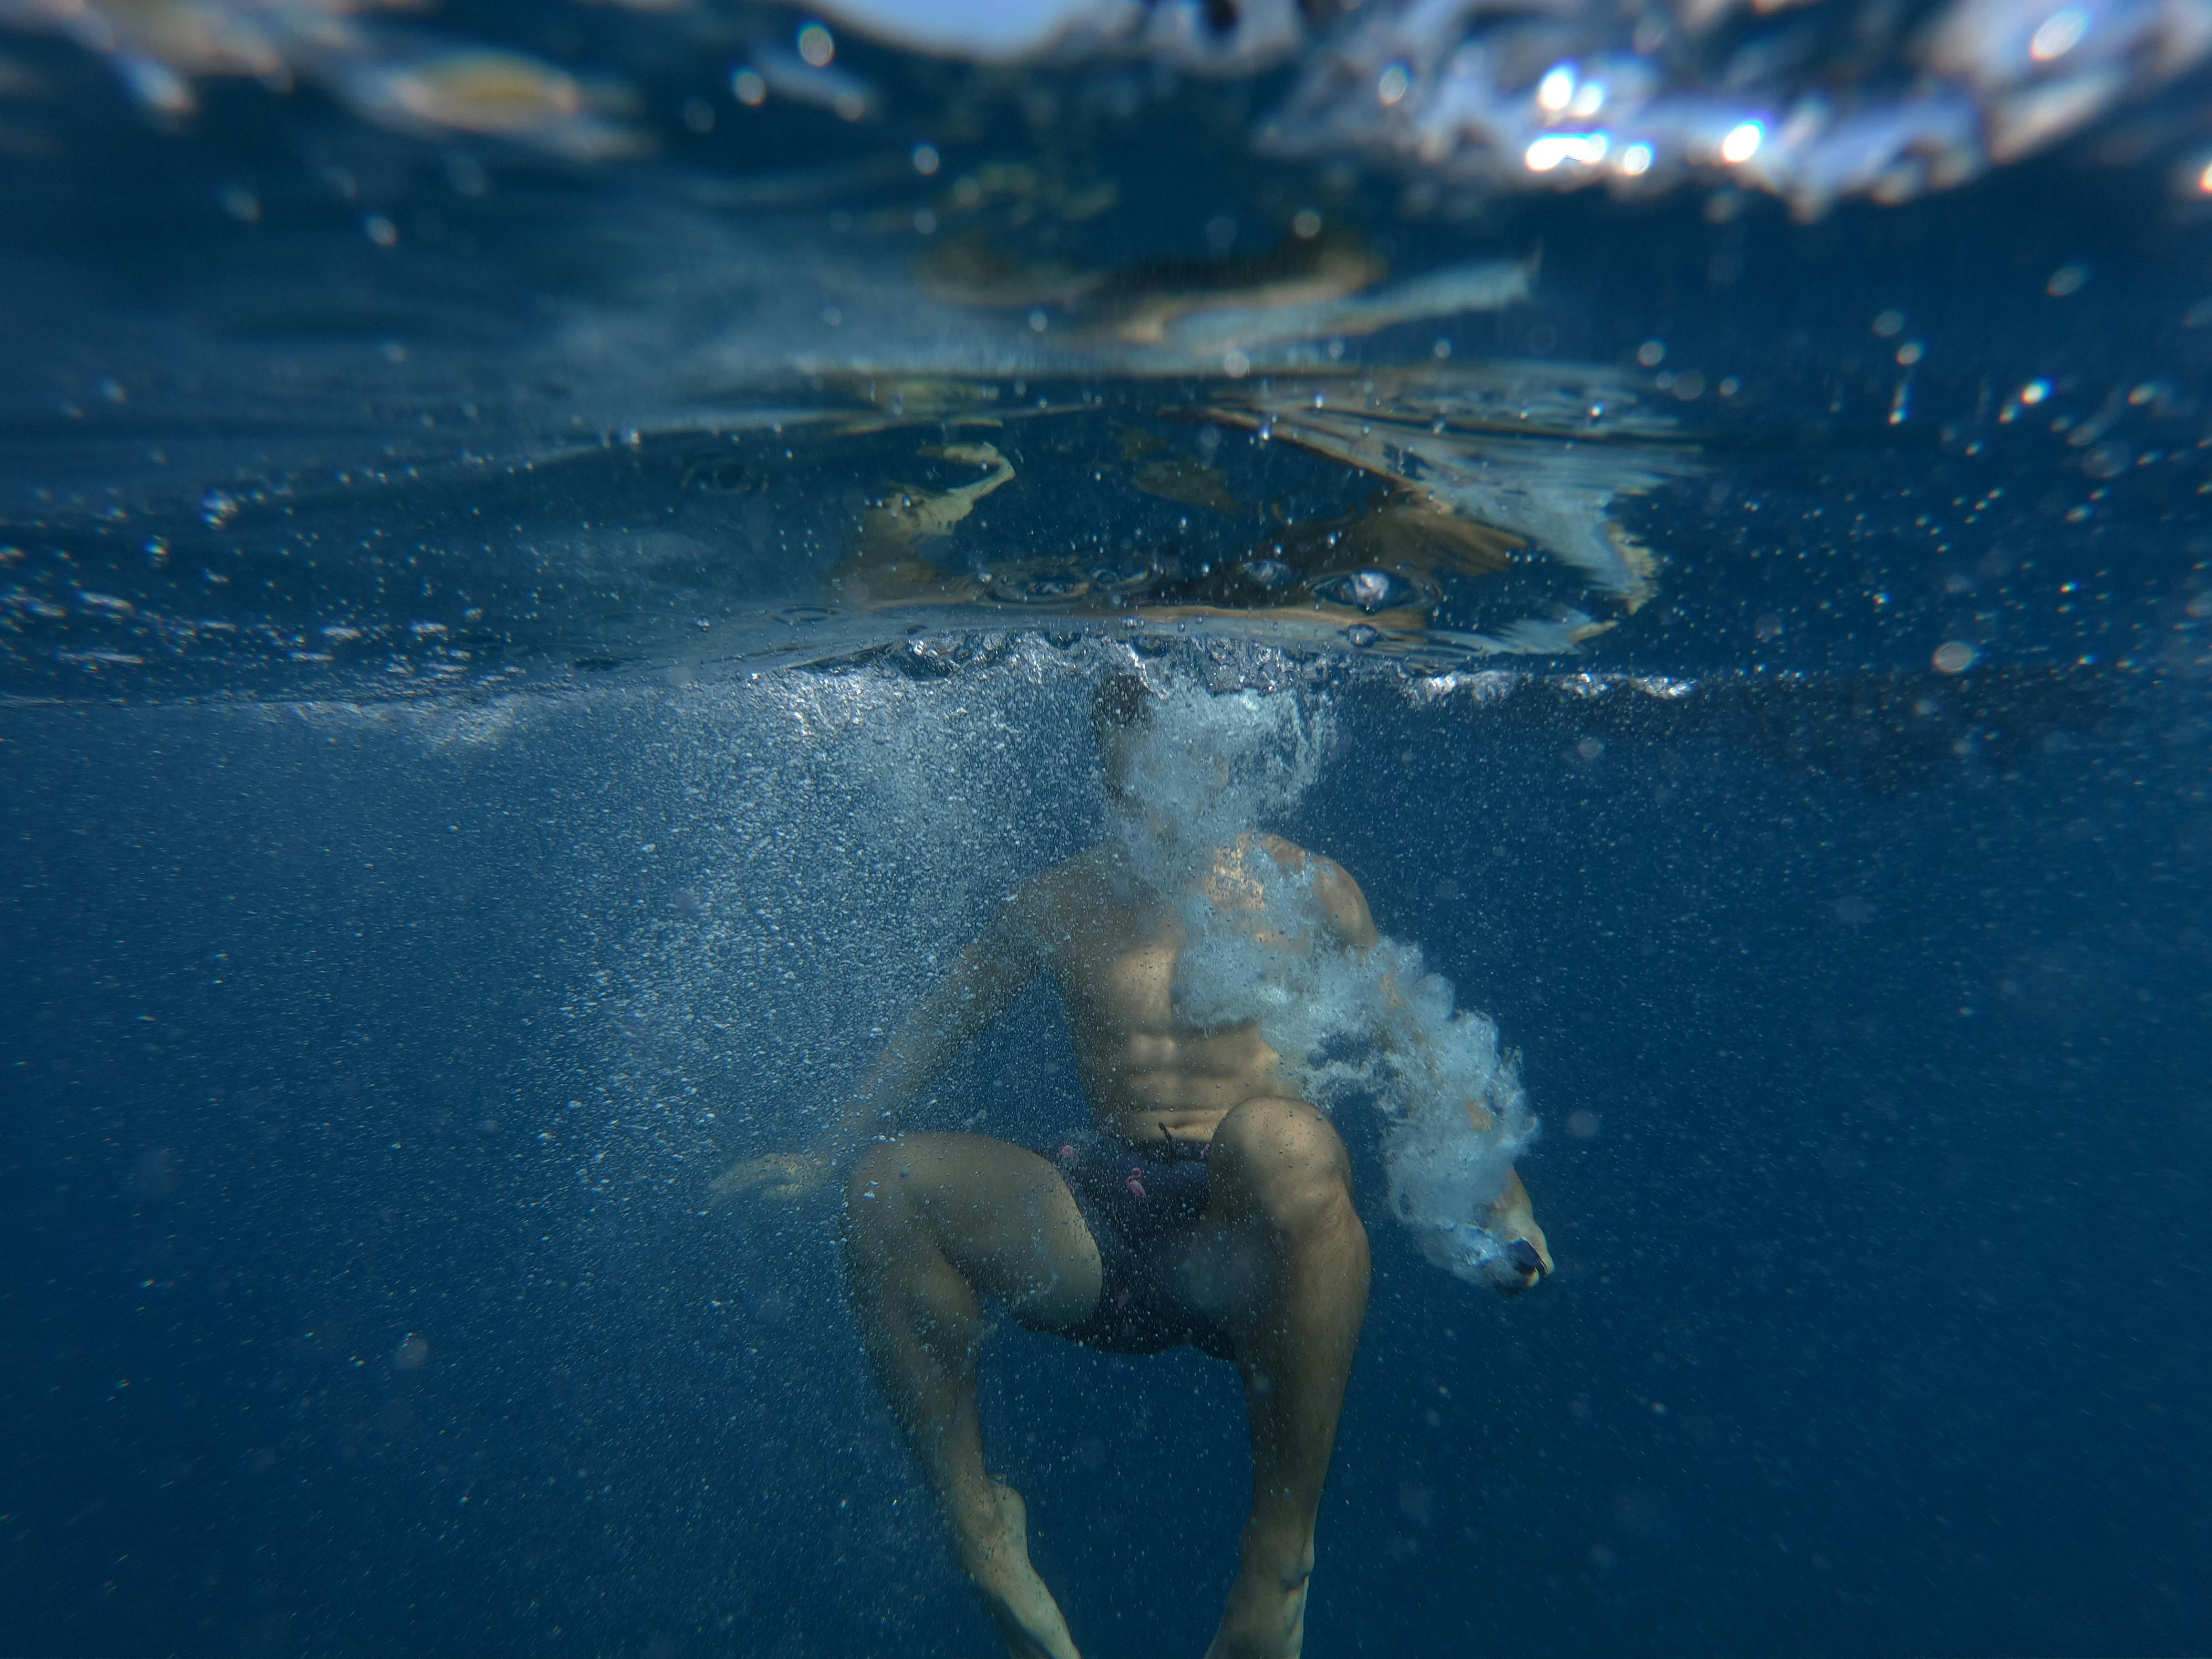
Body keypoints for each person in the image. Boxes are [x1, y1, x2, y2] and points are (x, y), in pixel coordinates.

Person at [713, 674, 1553, 1659]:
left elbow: (1418, 1042)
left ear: (1221, 764)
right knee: (884, 1189)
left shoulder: (1311, 888)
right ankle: (984, 1537)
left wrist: (1505, 1196)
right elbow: (940, 1022)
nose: (1143, 814)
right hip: (1109, 1235)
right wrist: (828, 1150)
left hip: (1260, 1253)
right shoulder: (1058, 899)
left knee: (1274, 1138)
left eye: (1159, 785)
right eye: (1120, 791)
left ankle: (1275, 1567)